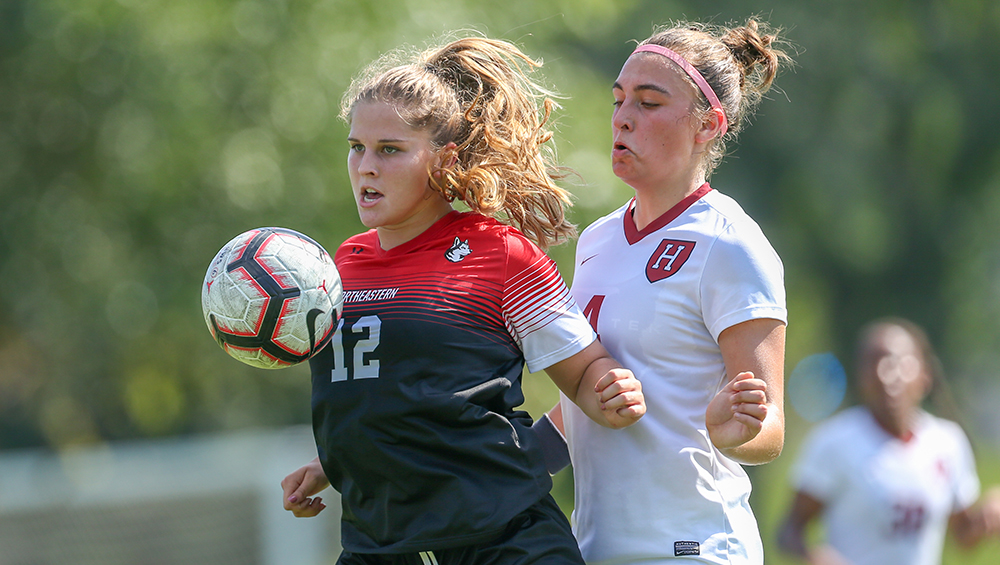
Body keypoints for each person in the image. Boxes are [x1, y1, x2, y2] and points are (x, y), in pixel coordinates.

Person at [279, 36, 646, 565]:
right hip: (378, 546)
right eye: (357, 147)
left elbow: (585, 373)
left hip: (504, 540)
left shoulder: (499, 253)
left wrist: (608, 391)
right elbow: (379, 395)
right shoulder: (338, 266)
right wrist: (332, 462)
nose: (365, 167)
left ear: (443, 160)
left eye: (389, 150)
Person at [534, 18, 791, 564]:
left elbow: (768, 430)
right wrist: (469, 469)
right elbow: (584, 400)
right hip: (597, 550)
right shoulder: (597, 240)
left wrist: (732, 432)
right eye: (619, 99)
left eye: (648, 104)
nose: (623, 118)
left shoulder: (731, 244)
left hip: (694, 549)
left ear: (708, 125)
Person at [777, 318, 1000, 565]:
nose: (885, 374)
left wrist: (987, 517)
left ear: (924, 375)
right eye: (873, 362)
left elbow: (964, 536)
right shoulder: (835, 442)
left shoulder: (948, 442)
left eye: (897, 362)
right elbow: (789, 531)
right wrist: (817, 557)